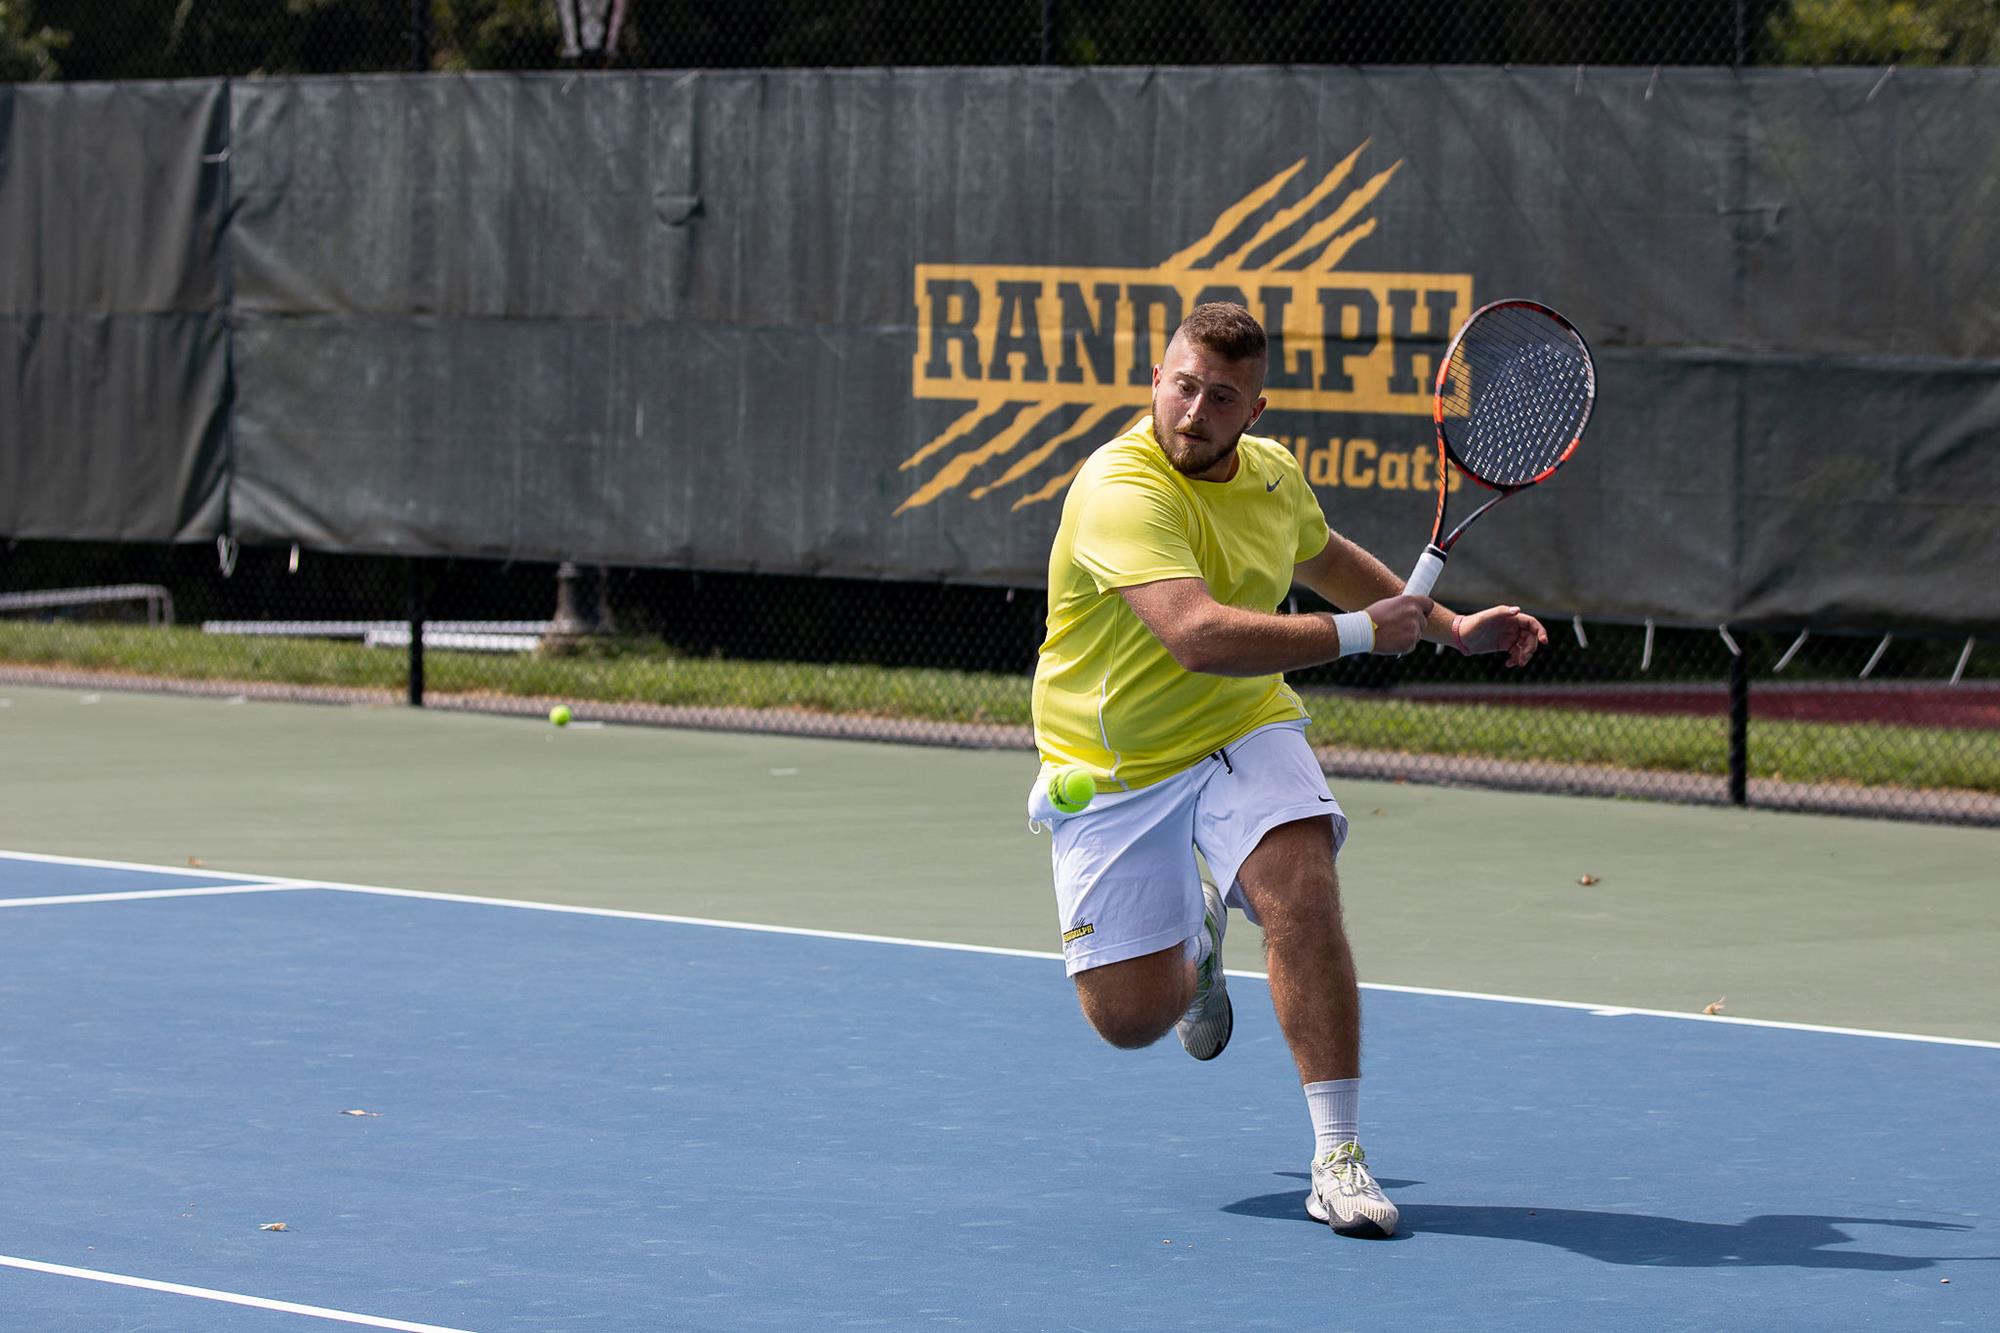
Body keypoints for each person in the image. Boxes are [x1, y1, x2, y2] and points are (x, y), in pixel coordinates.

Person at [1027, 301, 1546, 1239]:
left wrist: (1450, 625)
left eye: (1222, 397)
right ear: (1156, 381)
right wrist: (1358, 635)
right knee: (1129, 1019)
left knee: (1301, 890)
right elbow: (1195, 633)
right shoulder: (1119, 487)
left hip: (1243, 722)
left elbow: (1329, 560)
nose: (1195, 412)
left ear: (1254, 411)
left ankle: (1338, 1154)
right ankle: (1196, 945)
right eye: (1184, 387)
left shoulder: (1271, 474)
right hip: (1114, 763)